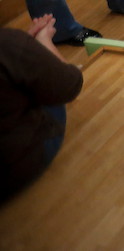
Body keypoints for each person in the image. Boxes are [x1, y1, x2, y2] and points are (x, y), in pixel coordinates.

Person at [0, 17, 84, 200]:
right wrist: (43, 44)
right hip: (12, 169)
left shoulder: (10, 44)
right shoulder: (8, 43)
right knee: (46, 90)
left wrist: (27, 50)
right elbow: (70, 84)